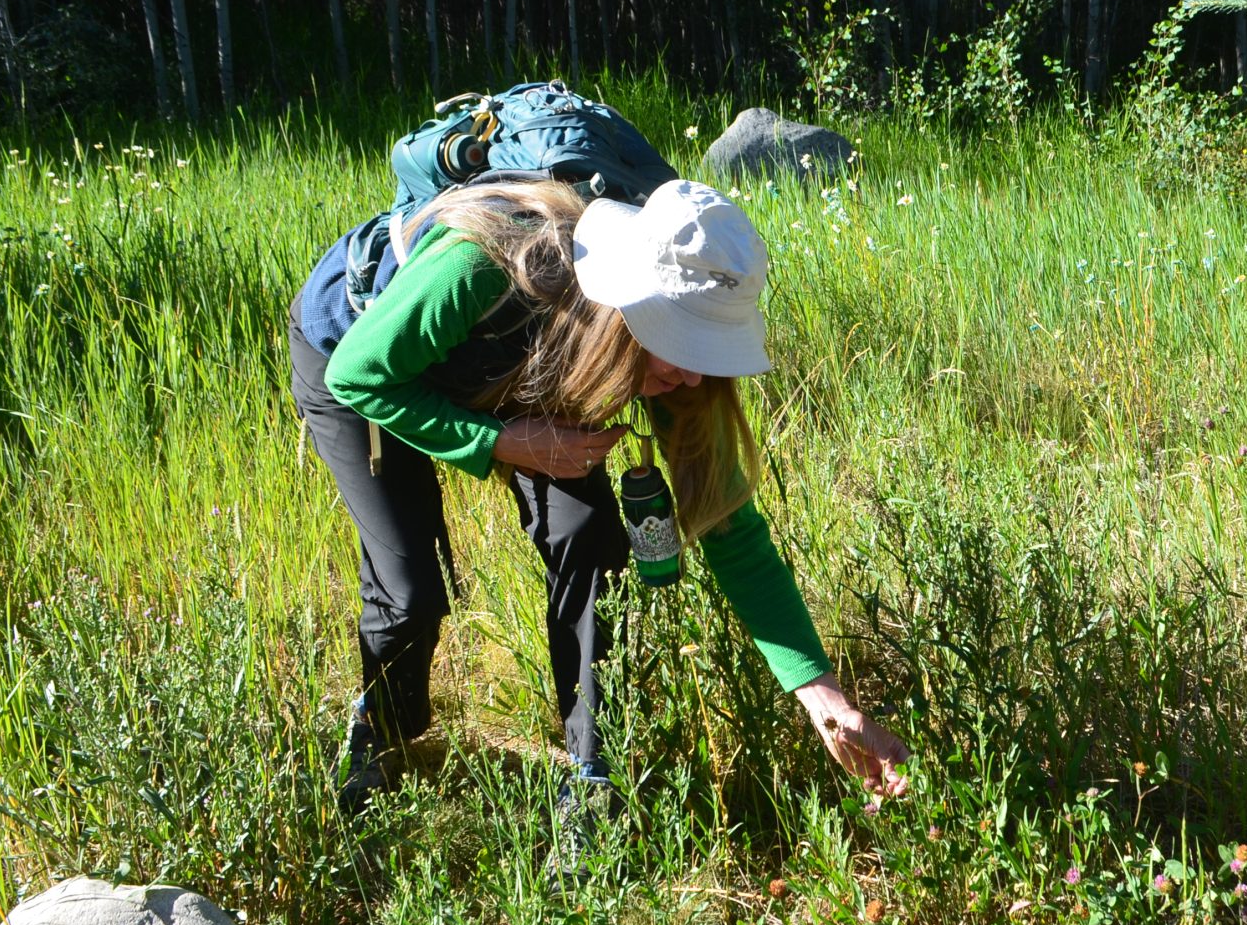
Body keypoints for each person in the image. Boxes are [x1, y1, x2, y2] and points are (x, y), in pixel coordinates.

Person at [288, 173, 911, 823]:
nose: (693, 372)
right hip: (361, 357)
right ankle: (384, 733)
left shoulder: (665, 368)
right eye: (679, 338)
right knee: (410, 589)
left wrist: (829, 703)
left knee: (592, 537)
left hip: (517, 376)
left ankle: (592, 778)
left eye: (705, 346)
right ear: (627, 305)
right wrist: (502, 442)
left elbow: (735, 534)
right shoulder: (481, 266)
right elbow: (359, 374)